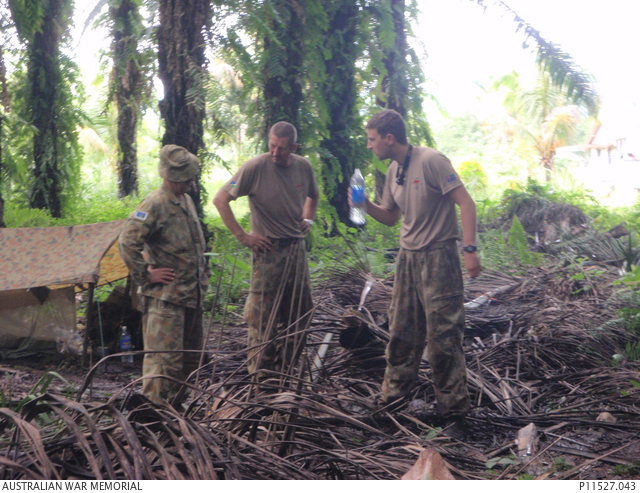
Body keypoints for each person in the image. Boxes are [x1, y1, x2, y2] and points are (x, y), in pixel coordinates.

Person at [354, 109, 482, 437]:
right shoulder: (394, 169)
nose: (369, 146)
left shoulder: (431, 161)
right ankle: (393, 403)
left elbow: (466, 203)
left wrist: (469, 250)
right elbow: (390, 217)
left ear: (389, 138)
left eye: (372, 139)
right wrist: (363, 203)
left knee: (443, 336)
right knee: (402, 331)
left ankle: (454, 413)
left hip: (439, 256)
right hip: (407, 258)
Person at [213, 121, 319, 382]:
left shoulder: (303, 166)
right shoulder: (254, 167)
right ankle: (261, 379)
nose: (275, 152)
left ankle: (285, 373)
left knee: (300, 313)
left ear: (293, 147)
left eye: (281, 148)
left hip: (296, 250)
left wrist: (309, 218)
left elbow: (313, 195)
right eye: (272, 146)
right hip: (268, 250)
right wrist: (243, 237)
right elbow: (220, 199)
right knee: (262, 319)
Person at [119, 144, 211, 405]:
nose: (191, 181)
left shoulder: (186, 200)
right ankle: (156, 419)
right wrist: (146, 275)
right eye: (187, 177)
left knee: (190, 359)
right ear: (174, 177)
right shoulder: (155, 203)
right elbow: (127, 241)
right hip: (166, 301)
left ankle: (177, 415)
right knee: (163, 364)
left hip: (191, 296)